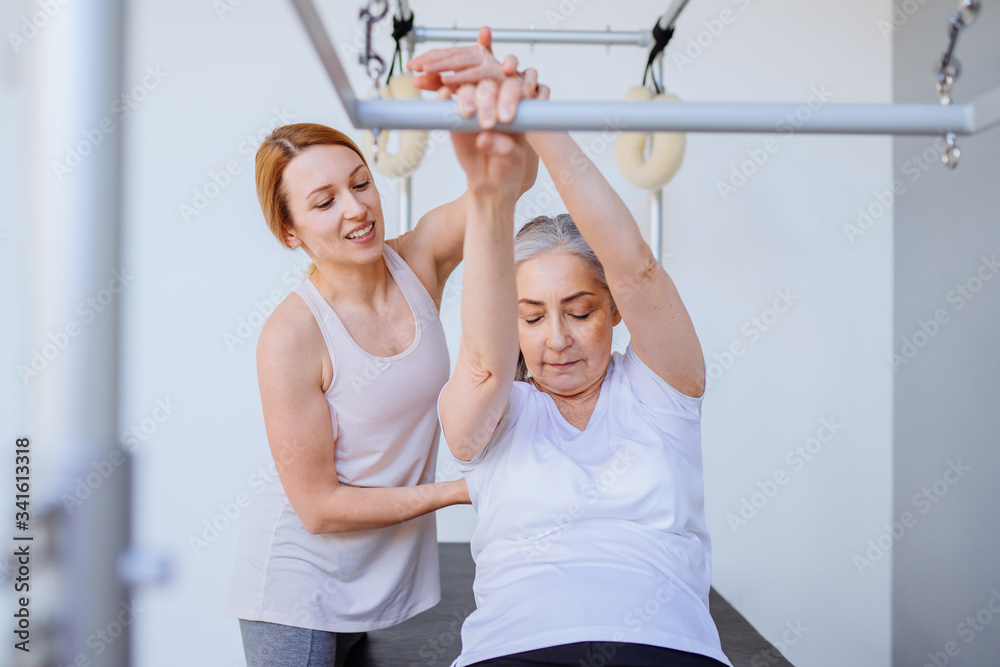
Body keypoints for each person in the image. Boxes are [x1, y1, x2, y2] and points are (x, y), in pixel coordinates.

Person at [224, 30, 545, 667]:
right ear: (290, 231)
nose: (356, 209)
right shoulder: (291, 336)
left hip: (376, 578)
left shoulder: (418, 260)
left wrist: (505, 108)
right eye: (324, 201)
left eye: (360, 183)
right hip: (296, 587)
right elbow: (317, 508)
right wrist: (459, 491)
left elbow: (506, 185)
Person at [429, 71, 734, 666]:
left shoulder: (660, 388)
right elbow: (487, 365)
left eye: (580, 311)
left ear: (613, 310)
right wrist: (491, 194)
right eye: (532, 317)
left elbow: (638, 269)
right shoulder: (492, 408)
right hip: (516, 650)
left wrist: (544, 127)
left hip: (664, 648)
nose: (558, 339)